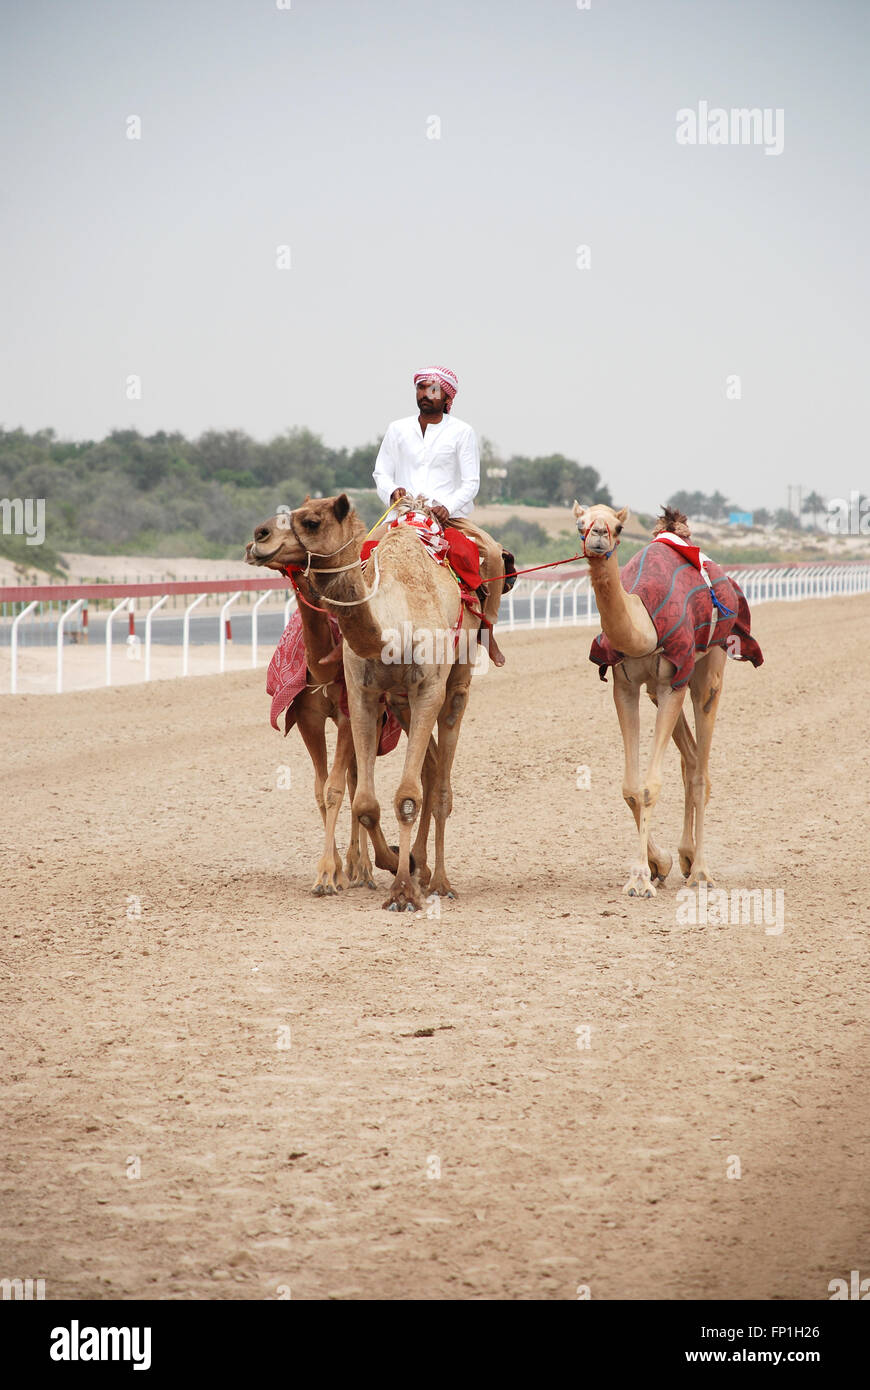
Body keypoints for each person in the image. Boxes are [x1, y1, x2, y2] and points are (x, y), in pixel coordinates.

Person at [372, 366, 513, 666]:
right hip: (402, 515)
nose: (425, 394)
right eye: (421, 388)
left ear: (446, 396)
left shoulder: (462, 432)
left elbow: (470, 482)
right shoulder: (397, 429)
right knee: (358, 554)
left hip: (447, 517)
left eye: (432, 389)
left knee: (492, 554)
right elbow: (381, 471)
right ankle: (346, 631)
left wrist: (447, 506)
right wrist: (392, 490)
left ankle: (486, 631)